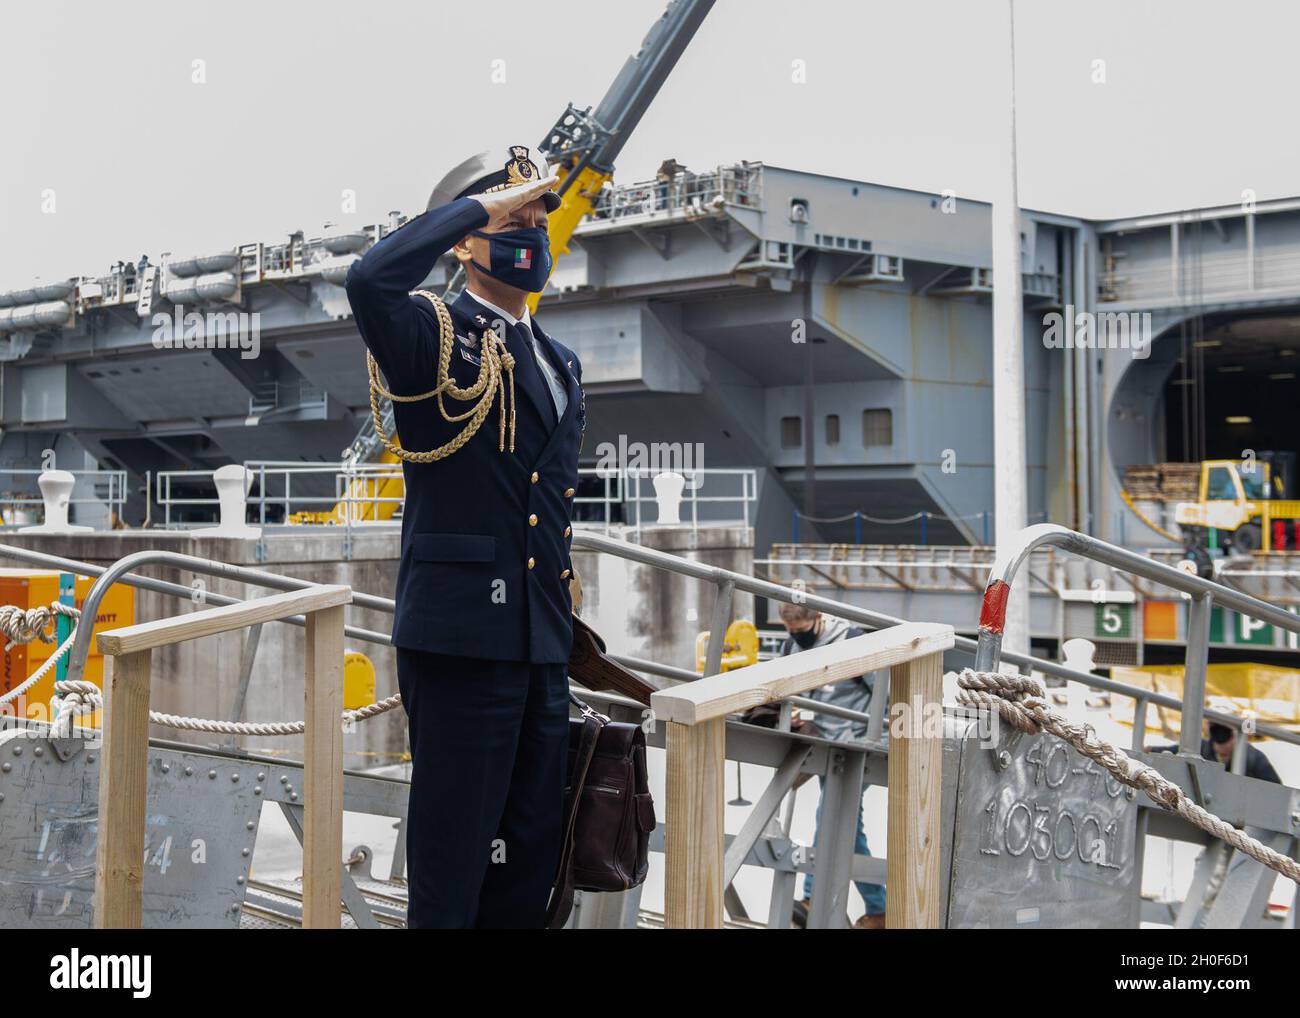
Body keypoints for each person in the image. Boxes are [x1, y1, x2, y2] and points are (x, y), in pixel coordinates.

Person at [345, 145, 585, 928]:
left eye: (540, 216)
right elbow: (368, 279)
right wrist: (481, 207)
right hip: (459, 642)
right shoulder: (430, 334)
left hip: (540, 644)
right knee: (452, 867)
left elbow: (546, 507)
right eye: (515, 220)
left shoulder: (560, 359)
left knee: (530, 862)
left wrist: (563, 620)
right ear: (465, 238)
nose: (533, 233)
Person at [775, 602, 887, 928]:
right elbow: (783, 686)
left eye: (802, 631)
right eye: (792, 632)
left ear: (818, 618)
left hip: (858, 742)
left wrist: (876, 736)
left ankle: (813, 897)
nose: (798, 638)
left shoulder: (851, 641)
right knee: (847, 823)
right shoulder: (791, 646)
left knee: (832, 812)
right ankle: (879, 910)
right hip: (828, 741)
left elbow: (886, 691)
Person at [1150, 721, 1281, 783]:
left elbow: (1277, 789)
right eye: (1216, 730)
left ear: (1236, 733)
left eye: (1225, 731)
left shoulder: (1254, 758)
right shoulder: (1199, 748)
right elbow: (1162, 751)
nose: (1220, 736)